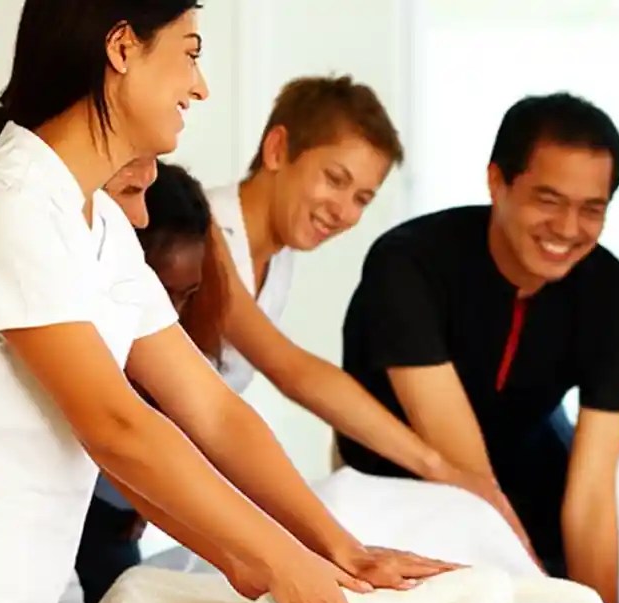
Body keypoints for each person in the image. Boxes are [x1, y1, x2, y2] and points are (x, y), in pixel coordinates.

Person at [0, 4, 450, 603]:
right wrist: (279, 560)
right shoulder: (11, 199)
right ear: (121, 49)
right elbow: (117, 426)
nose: (200, 86)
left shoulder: (100, 220)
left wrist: (337, 549)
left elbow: (210, 406)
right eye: (190, 52)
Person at [339, 92, 619, 603]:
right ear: (497, 181)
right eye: (548, 200)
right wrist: (530, 578)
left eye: (591, 209)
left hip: (529, 469)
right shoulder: (409, 264)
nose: (568, 228)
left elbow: (594, 492)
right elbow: (461, 468)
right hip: (398, 480)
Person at [199, 75, 500, 523]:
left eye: (362, 198)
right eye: (335, 180)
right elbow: (292, 369)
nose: (344, 212)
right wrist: (435, 464)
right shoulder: (201, 227)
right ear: (278, 149)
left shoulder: (279, 256)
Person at [75, 161, 228, 603]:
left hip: (116, 519)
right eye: (163, 291)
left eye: (187, 295)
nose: (174, 313)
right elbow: (120, 432)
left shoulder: (171, 342)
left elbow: (215, 420)